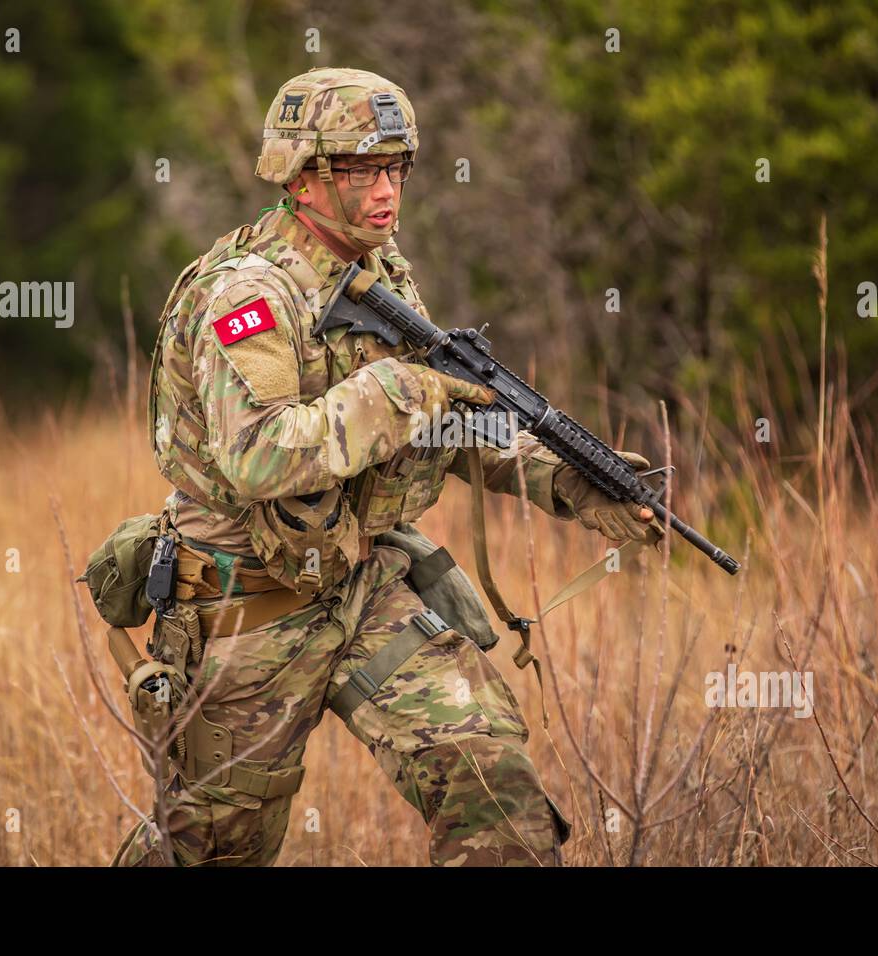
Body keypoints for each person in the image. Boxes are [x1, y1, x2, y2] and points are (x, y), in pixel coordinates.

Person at [112, 67, 654, 867]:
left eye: (396, 167)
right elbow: (262, 456)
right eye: (361, 170)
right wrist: (399, 389)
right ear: (302, 176)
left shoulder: (379, 273)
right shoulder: (249, 296)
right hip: (247, 610)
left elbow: (448, 416)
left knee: (492, 785)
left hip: (365, 588)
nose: (386, 190)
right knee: (210, 851)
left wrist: (561, 479)